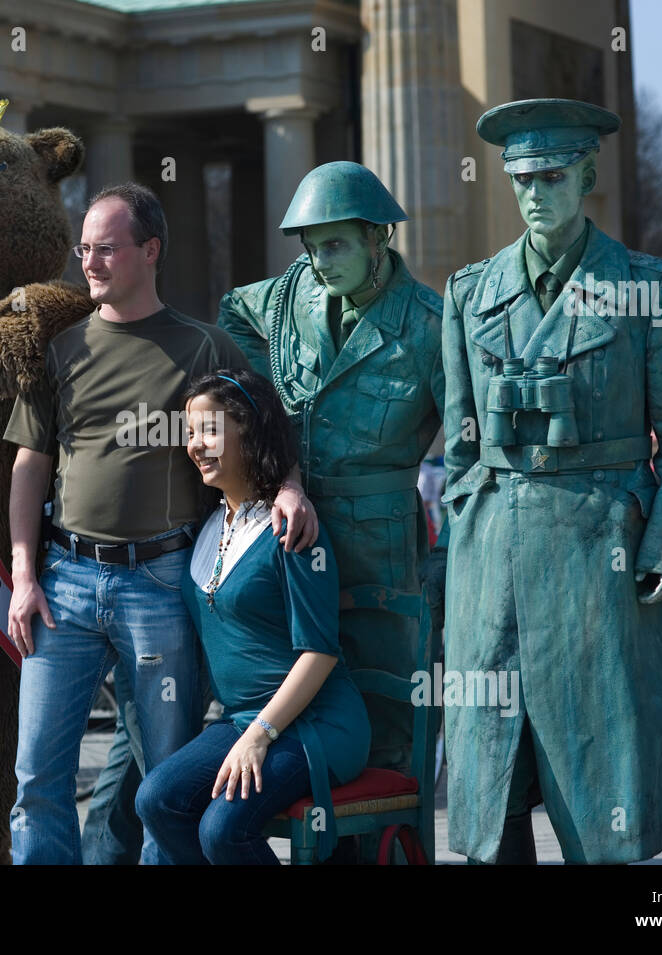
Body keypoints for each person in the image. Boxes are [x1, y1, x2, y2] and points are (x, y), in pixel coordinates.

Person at [441, 98, 662, 864]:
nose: (535, 192)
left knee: (606, 807)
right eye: (521, 177)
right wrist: (465, 532)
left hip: (605, 567)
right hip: (493, 575)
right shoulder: (470, 293)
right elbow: (461, 445)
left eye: (553, 175)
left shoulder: (644, 286)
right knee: (493, 807)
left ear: (587, 176)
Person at [3, 182, 310, 865]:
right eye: (84, 249)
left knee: (165, 778)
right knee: (36, 777)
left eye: (106, 249)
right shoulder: (60, 349)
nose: (90, 262)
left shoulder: (204, 346)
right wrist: (23, 576)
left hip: (161, 583)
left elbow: (268, 430)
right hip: (65, 584)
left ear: (150, 250)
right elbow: (29, 464)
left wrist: (288, 487)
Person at [217, 162, 445, 774]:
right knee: (296, 695)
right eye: (313, 247)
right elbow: (232, 313)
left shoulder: (429, 325)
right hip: (292, 531)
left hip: (382, 544)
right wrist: (264, 422)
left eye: (337, 244)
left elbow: (472, 453)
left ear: (379, 237)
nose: (321, 261)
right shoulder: (291, 299)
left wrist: (455, 559)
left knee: (387, 713)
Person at [137, 369, 370, 864]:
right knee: (156, 799)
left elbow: (321, 652)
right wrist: (248, 732)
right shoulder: (207, 527)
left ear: (251, 429)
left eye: (211, 430)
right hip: (241, 720)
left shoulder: (294, 530)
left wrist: (260, 736)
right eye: (190, 432)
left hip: (318, 723)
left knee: (222, 829)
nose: (196, 445)